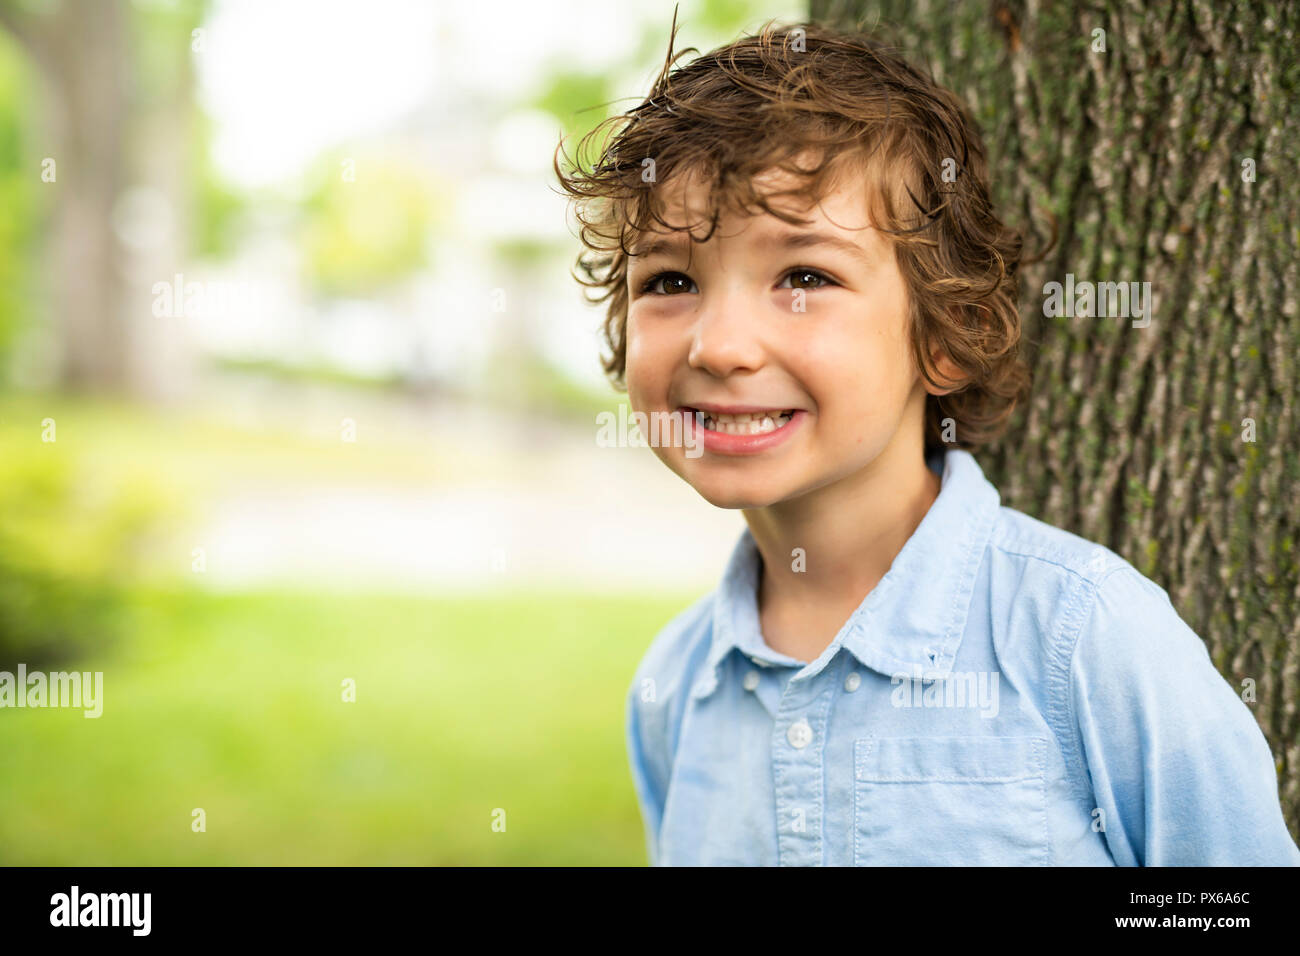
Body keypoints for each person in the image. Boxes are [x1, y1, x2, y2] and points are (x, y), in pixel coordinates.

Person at [555, 18, 1300, 866]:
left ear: (944, 334)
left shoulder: (1087, 641)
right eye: (671, 281)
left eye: (805, 276)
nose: (719, 345)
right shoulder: (675, 689)